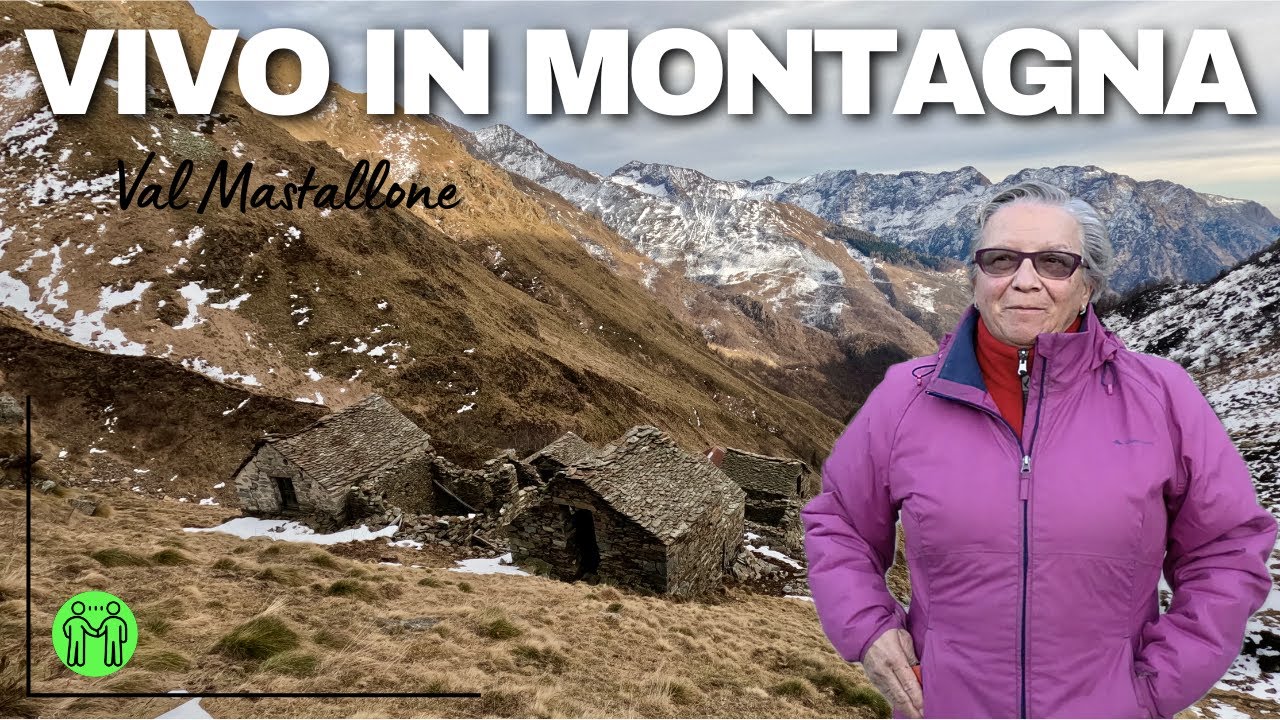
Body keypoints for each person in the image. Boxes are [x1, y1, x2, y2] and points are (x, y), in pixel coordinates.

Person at [801, 180, 1277, 719]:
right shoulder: (906, 397)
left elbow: (1228, 549)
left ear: (1087, 285)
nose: (1025, 281)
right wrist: (869, 629)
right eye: (1001, 259)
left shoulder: (1162, 397)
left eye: (1054, 263)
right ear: (976, 277)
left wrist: (1151, 689)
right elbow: (838, 523)